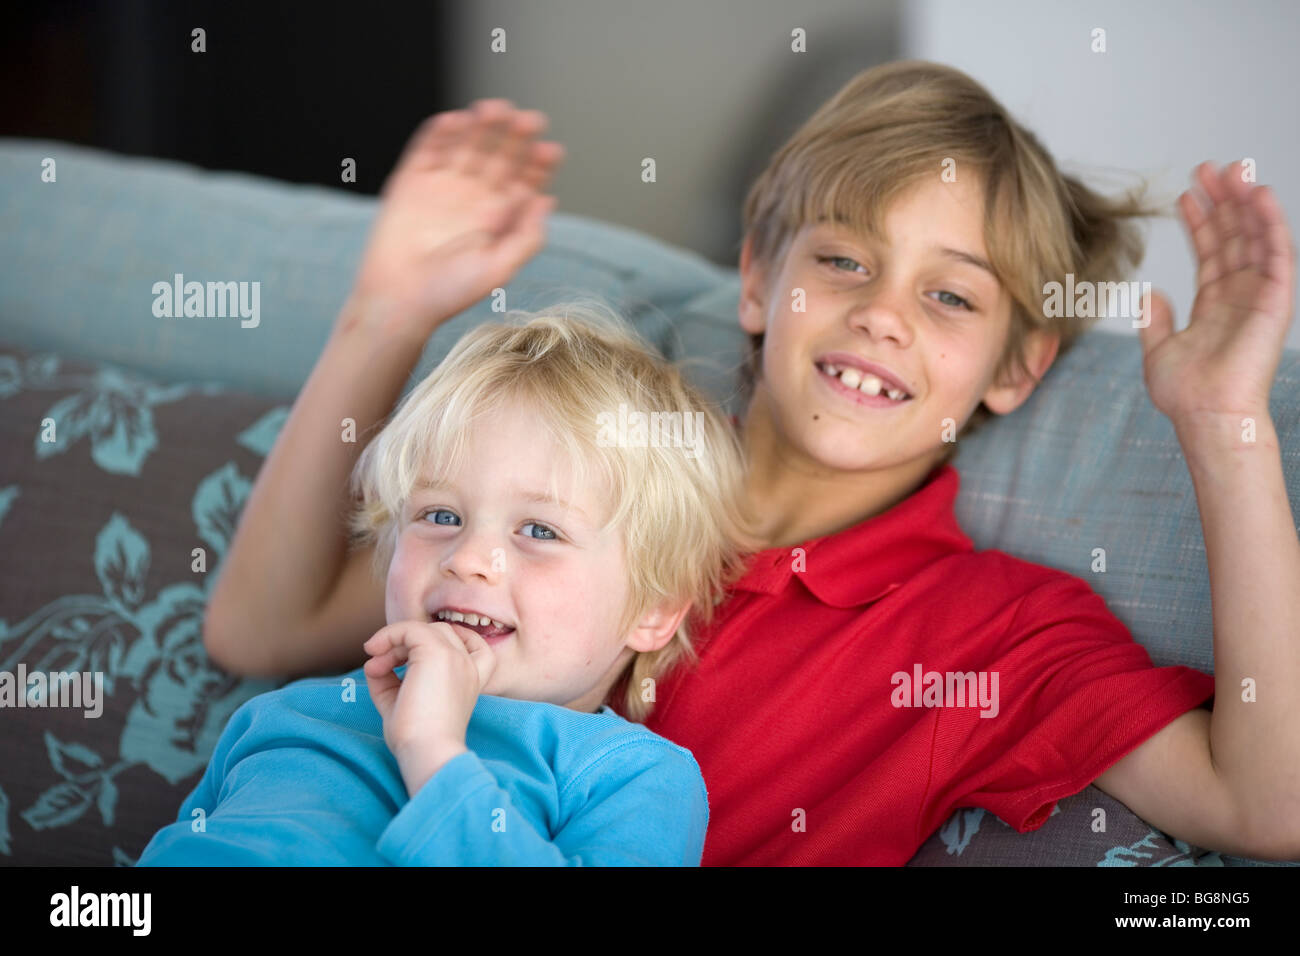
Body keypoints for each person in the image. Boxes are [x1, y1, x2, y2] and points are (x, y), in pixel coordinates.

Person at [203, 61, 1300, 866]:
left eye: (949, 295)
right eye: (841, 259)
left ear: (1015, 367)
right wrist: (383, 312)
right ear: (756, 284)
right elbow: (257, 633)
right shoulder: (578, 465)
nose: (880, 314)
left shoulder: (994, 635)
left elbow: (1268, 806)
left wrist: (1221, 423)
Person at [138, 304, 757, 865]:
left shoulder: (629, 774)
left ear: (651, 610)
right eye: (441, 516)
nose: (468, 559)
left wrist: (434, 753)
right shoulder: (284, 712)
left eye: (539, 530)